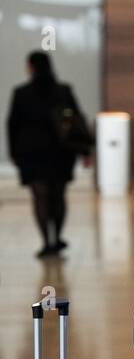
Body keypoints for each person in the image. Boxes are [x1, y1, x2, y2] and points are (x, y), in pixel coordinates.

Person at [7, 51, 90, 256]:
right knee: (59, 195)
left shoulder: (22, 93)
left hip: (32, 154)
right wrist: (85, 150)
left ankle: (47, 241)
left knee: (40, 197)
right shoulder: (62, 91)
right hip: (60, 153)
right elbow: (77, 122)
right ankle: (58, 237)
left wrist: (14, 153)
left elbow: (12, 125)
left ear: (31, 67)